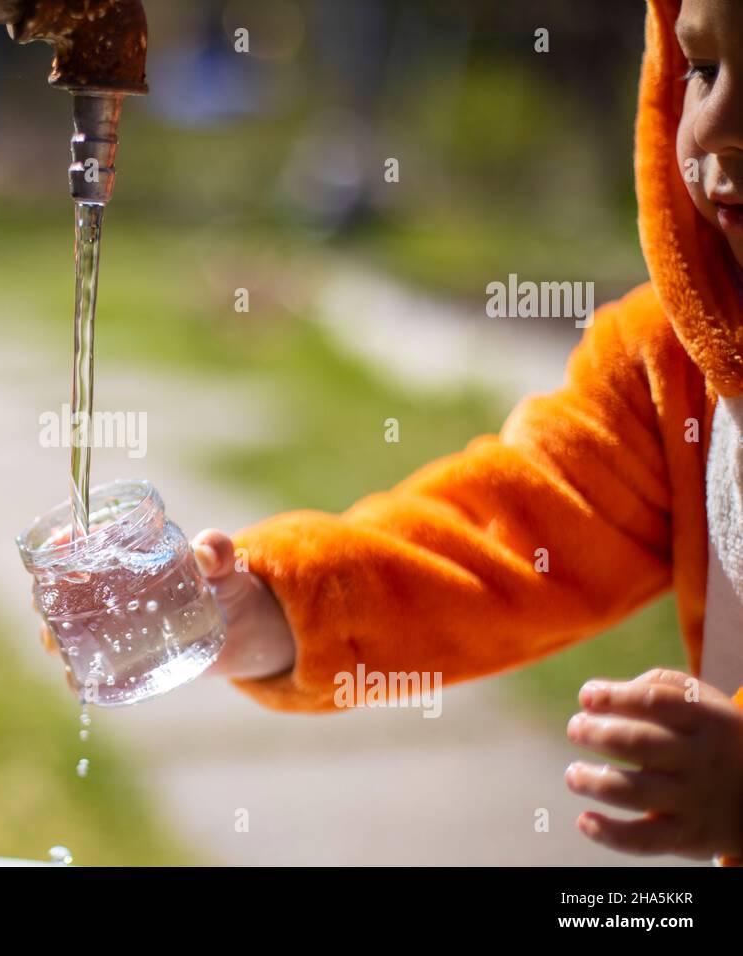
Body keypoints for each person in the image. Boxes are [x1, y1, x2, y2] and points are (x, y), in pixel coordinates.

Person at [188, 0, 743, 863]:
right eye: (701, 70)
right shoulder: (673, 368)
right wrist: (267, 608)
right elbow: (503, 538)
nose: (714, 126)